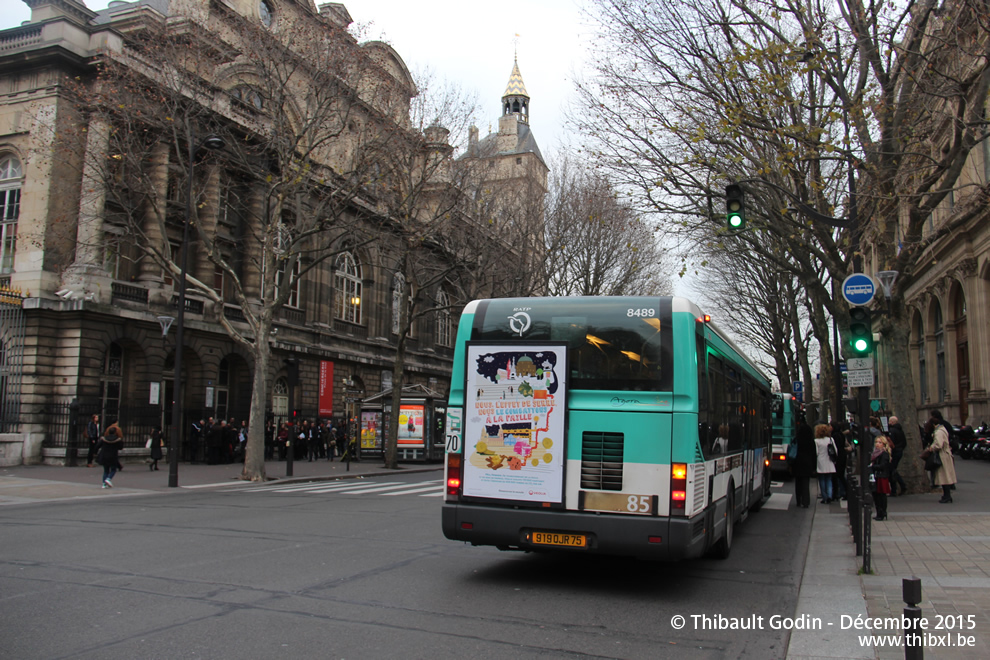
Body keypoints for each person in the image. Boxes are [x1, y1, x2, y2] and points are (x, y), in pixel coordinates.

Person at [922, 415, 957, 503]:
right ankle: (946, 495)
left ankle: (947, 496)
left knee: (944, 476)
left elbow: (938, 444)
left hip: (942, 455)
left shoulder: (938, 432)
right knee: (945, 476)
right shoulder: (942, 430)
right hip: (945, 454)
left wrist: (931, 448)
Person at [791, 417, 817, 508]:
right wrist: (814, 467)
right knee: (806, 483)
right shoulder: (811, 442)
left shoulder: (797, 439)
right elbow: (814, 454)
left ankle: (798, 500)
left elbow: (792, 451)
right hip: (807, 463)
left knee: (798, 483)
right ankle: (805, 501)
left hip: (798, 463)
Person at [814, 423, 837, 503]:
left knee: (822, 480)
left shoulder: (816, 441)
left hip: (821, 461)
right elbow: (835, 451)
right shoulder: (830, 440)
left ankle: (824, 497)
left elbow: (816, 452)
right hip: (829, 461)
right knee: (829, 479)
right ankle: (829, 495)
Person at [870, 436, 892, 521]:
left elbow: (883, 466)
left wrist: (873, 466)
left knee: (881, 495)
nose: (877, 444)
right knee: (876, 495)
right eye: (876, 442)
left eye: (880, 442)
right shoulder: (875, 453)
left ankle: (882, 512)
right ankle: (879, 512)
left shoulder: (884, 454)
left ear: (884, 444)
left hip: (882, 476)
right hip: (876, 476)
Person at [887, 415, 908, 496]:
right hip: (899, 451)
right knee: (893, 469)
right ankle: (899, 487)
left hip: (894, 452)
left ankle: (896, 488)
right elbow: (904, 442)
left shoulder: (892, 431)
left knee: (892, 470)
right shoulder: (900, 430)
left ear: (892, 422)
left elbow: (891, 443)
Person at [98, 423, 124, 488]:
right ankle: (108, 479)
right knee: (113, 469)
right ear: (115, 432)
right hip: (113, 456)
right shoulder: (118, 440)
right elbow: (120, 447)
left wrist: (95, 452)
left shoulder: (104, 439)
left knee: (106, 470)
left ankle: (104, 484)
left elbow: (97, 446)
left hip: (104, 456)